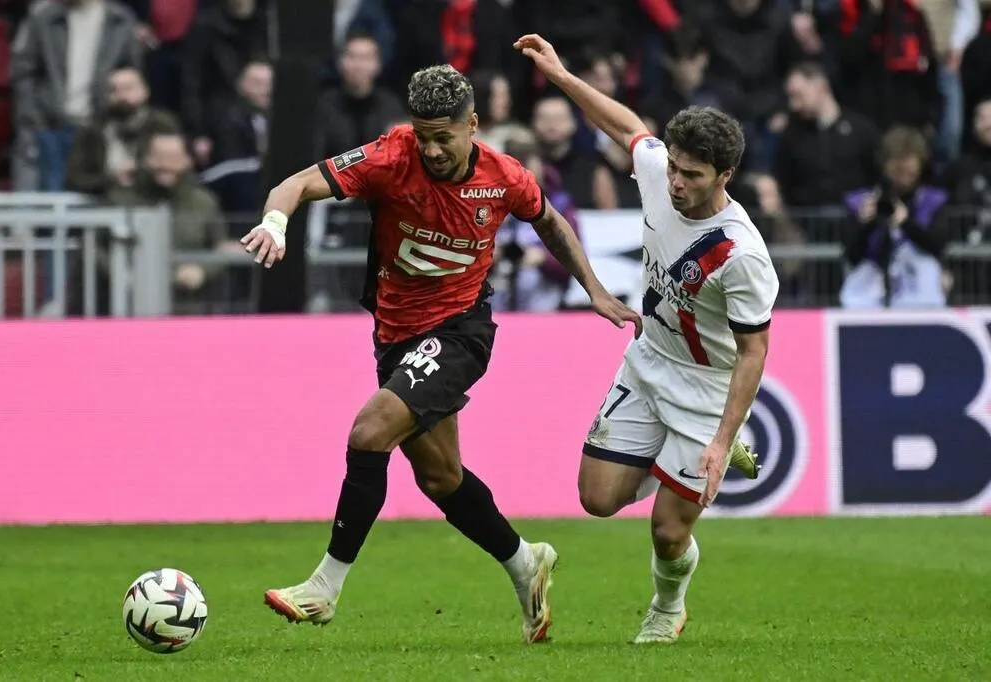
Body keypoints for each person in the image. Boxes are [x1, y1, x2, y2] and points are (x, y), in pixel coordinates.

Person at [239, 64, 641, 643]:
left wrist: (596, 292)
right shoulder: (390, 156)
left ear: (471, 125)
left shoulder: (505, 177)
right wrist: (276, 223)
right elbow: (295, 184)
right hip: (395, 335)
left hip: (460, 333)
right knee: (441, 478)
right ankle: (525, 561)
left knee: (369, 430)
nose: (431, 149)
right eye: (422, 135)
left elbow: (550, 223)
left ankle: (325, 587)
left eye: (443, 136)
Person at [516, 34, 778, 643]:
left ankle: (668, 605)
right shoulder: (661, 169)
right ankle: (675, 469)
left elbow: (753, 351)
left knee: (666, 531)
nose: (677, 183)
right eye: (676, 168)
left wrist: (720, 438)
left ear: (726, 175)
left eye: (693, 175)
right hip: (648, 360)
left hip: (706, 391)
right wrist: (561, 75)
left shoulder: (740, 255)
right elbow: (626, 125)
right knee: (596, 498)